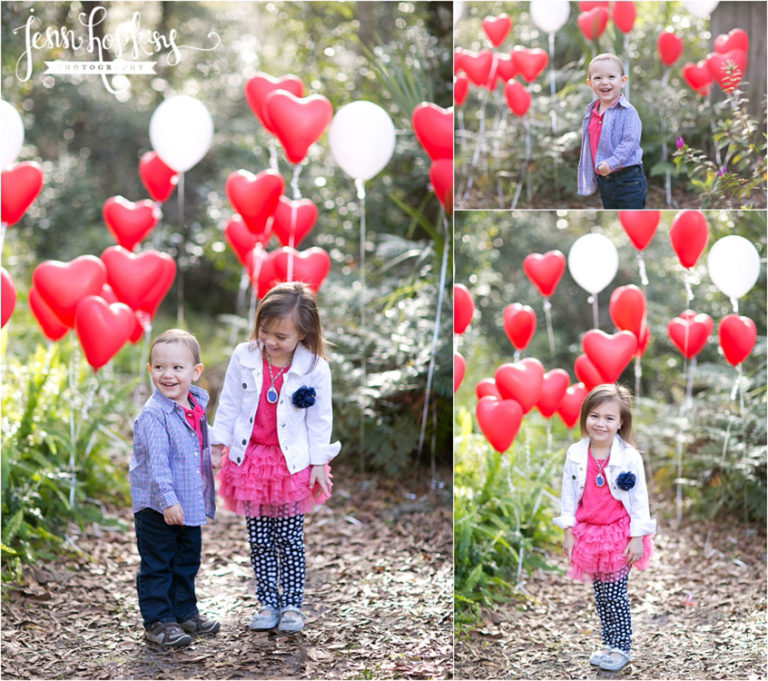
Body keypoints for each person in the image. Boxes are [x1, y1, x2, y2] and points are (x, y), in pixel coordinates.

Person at [211, 281, 341, 633]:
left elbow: (319, 419)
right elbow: (229, 404)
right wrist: (217, 444)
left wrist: (317, 463)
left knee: (289, 538)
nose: (271, 341)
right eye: (265, 331)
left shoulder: (315, 368)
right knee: (259, 539)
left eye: (281, 336)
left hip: (290, 465)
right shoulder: (245, 355)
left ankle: (293, 605)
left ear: (303, 333)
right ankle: (267, 602)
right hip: (250, 460)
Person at [553, 383, 655, 671]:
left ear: (621, 422)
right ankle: (609, 643)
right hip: (590, 534)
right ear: (585, 416)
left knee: (615, 594)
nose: (601, 423)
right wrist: (568, 531)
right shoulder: (576, 453)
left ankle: (622, 647)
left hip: (618, 534)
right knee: (601, 594)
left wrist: (637, 537)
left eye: (609, 418)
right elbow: (569, 495)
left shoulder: (628, 456)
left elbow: (639, 499)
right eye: (595, 416)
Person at [130, 329, 219, 647]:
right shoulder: (154, 416)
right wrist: (167, 501)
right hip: (158, 506)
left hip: (189, 502)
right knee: (159, 563)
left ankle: (184, 612)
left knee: (186, 560)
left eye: (177, 368)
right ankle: (158, 620)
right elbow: (158, 465)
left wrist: (215, 453)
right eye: (159, 367)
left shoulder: (194, 406)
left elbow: (197, 443)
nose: (167, 374)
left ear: (195, 372)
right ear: (150, 370)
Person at [577, 53, 647, 209]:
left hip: (628, 179)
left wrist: (611, 162)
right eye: (598, 78)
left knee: (631, 211)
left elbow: (630, 142)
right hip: (605, 180)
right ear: (590, 84)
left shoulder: (628, 112)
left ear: (623, 81)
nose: (604, 82)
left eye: (611, 77)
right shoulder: (592, 112)